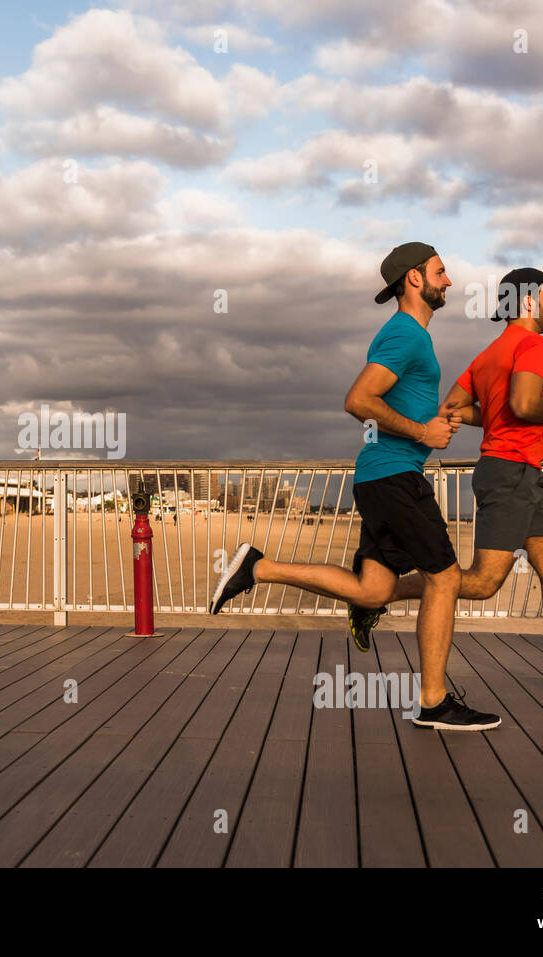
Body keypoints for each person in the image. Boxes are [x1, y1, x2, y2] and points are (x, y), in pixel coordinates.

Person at [209, 242, 500, 731]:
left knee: (372, 591)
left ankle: (259, 568)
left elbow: (395, 405)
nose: (449, 281)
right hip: (393, 477)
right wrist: (421, 433)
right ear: (414, 278)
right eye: (441, 271)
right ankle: (434, 702)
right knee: (445, 579)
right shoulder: (406, 335)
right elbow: (358, 399)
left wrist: (440, 421)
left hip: (380, 477)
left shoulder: (411, 338)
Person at [348, 268, 543, 706]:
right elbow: (525, 405)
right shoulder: (535, 345)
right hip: (510, 476)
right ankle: (378, 596)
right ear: (528, 302)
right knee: (484, 582)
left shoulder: (489, 354)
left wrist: (500, 416)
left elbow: (449, 409)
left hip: (518, 475)